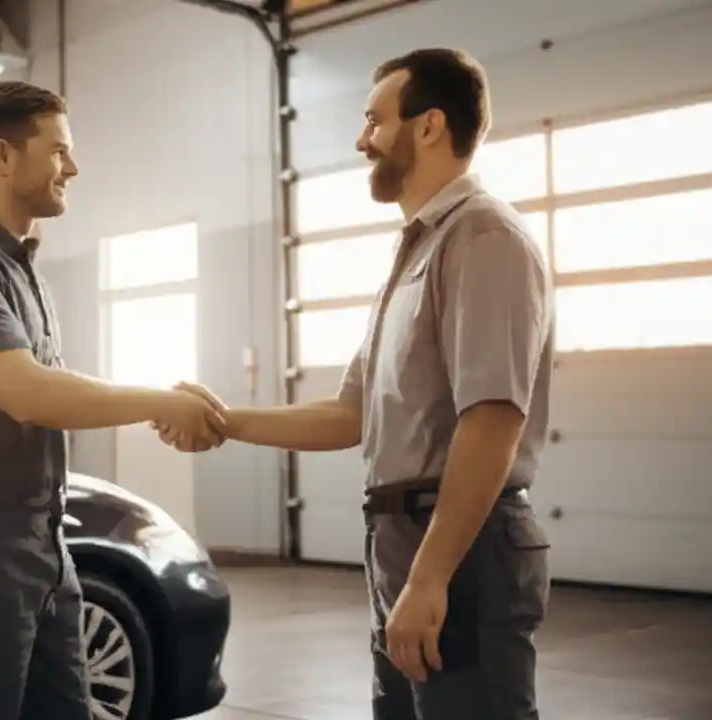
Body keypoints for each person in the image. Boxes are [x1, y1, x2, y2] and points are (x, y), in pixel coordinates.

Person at [160, 48, 555, 719]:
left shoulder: (485, 238)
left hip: (461, 547)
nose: (361, 138)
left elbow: (492, 419)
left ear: (428, 127)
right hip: (403, 545)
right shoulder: (415, 253)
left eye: (374, 120)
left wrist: (431, 578)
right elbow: (349, 414)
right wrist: (222, 419)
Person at [0, 80, 228, 720]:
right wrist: (161, 401)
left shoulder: (21, 271)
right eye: (59, 150)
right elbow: (28, 393)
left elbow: (58, 387)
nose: (72, 167)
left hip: (43, 546)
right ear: (4, 156)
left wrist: (161, 402)